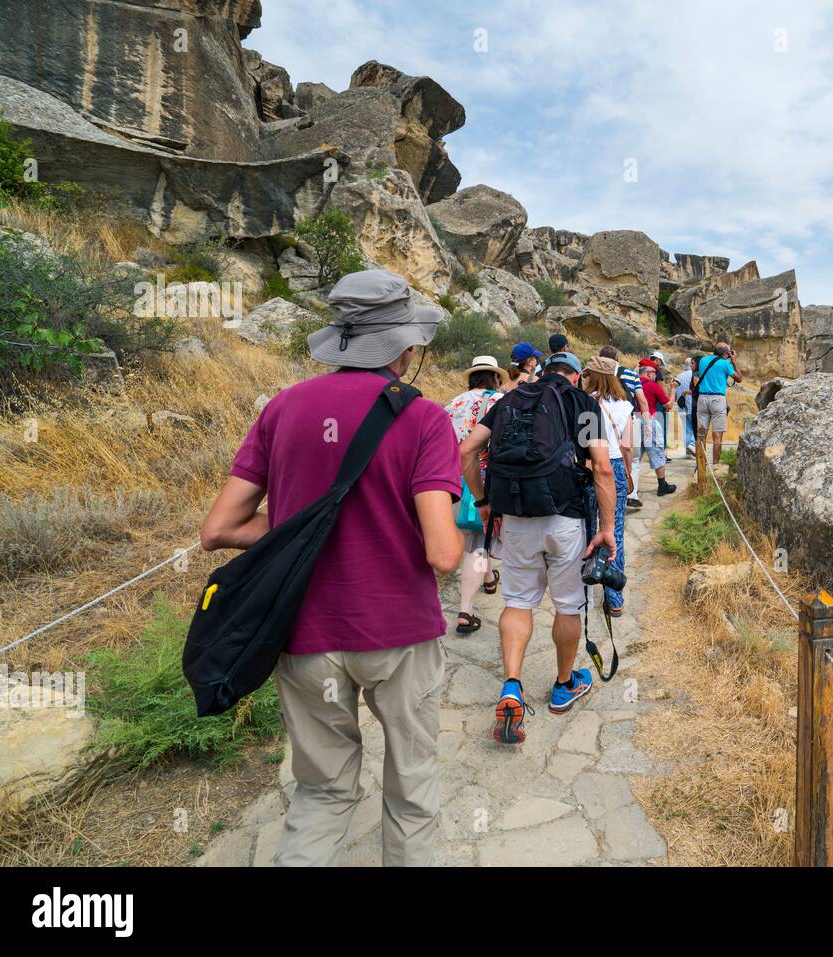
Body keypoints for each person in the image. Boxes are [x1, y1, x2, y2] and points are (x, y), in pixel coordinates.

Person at [199, 269, 462, 867]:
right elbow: (443, 554)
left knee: (321, 790)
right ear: (404, 345)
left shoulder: (283, 408)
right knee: (413, 789)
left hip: (304, 634)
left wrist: (300, 523)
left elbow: (218, 530)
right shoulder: (423, 419)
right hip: (398, 632)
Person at [459, 352, 617, 745]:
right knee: (567, 605)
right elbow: (601, 467)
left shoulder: (508, 400)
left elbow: (466, 451)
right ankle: (564, 685)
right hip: (565, 519)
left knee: (517, 603)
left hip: (515, 518)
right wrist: (608, 528)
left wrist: (482, 502)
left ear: (542, 372)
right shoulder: (583, 404)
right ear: (577, 376)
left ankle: (512, 686)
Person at [444, 355, 507, 635]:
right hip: (483, 481)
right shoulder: (498, 402)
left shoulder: (453, 403)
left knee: (481, 537)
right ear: (495, 377)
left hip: (453, 481)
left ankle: (489, 576)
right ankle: (466, 610)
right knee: (477, 546)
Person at [580, 355, 632, 616]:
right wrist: (628, 472)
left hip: (592, 467)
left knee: (590, 529)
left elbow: (586, 444)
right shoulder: (624, 405)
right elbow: (627, 445)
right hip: (617, 467)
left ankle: (586, 588)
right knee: (616, 532)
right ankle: (614, 596)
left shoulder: (585, 404)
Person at [600, 345, 650, 510]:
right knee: (632, 457)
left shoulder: (595, 373)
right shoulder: (630, 374)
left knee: (603, 454)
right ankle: (631, 492)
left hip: (599, 416)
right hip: (627, 416)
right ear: (617, 359)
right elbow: (641, 400)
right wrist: (647, 422)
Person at [693, 341, 742, 465]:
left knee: (701, 435)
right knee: (717, 436)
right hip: (717, 400)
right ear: (726, 353)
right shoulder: (725, 364)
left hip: (703, 399)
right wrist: (734, 361)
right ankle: (715, 465)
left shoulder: (703, 360)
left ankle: (701, 465)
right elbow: (739, 378)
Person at [637, 361, 677, 496]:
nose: (655, 376)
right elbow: (668, 405)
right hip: (650, 420)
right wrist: (673, 389)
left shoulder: (631, 384)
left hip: (634, 421)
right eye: (654, 373)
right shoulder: (652, 386)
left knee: (635, 458)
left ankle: (631, 489)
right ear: (648, 373)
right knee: (657, 452)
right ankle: (662, 485)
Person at [673, 357, 697, 457]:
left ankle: (687, 451)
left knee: (686, 428)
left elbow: (674, 394)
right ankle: (692, 445)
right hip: (693, 405)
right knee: (695, 427)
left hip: (681, 406)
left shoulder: (678, 376)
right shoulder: (695, 375)